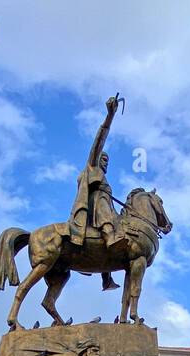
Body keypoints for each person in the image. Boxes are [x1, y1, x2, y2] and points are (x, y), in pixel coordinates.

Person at [68, 94, 122, 290]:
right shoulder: (91, 166)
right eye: (103, 159)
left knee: (119, 223)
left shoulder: (102, 177)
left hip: (105, 210)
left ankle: (106, 278)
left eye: (107, 161)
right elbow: (99, 141)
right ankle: (109, 234)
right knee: (108, 222)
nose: (105, 163)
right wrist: (110, 116)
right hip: (94, 213)